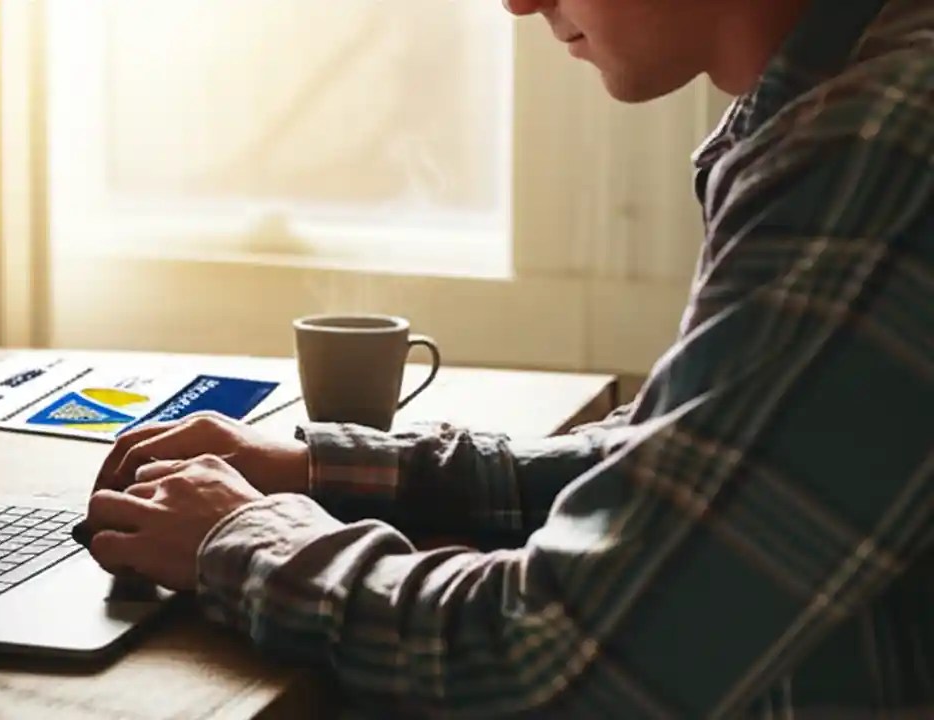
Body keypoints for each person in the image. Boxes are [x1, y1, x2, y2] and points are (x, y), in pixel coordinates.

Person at [83, 0, 933, 715]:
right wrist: (326, 469)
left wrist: (245, 538)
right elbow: (683, 467)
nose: (518, 1)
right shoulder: (837, 99)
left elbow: (557, 656)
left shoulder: (878, 146)